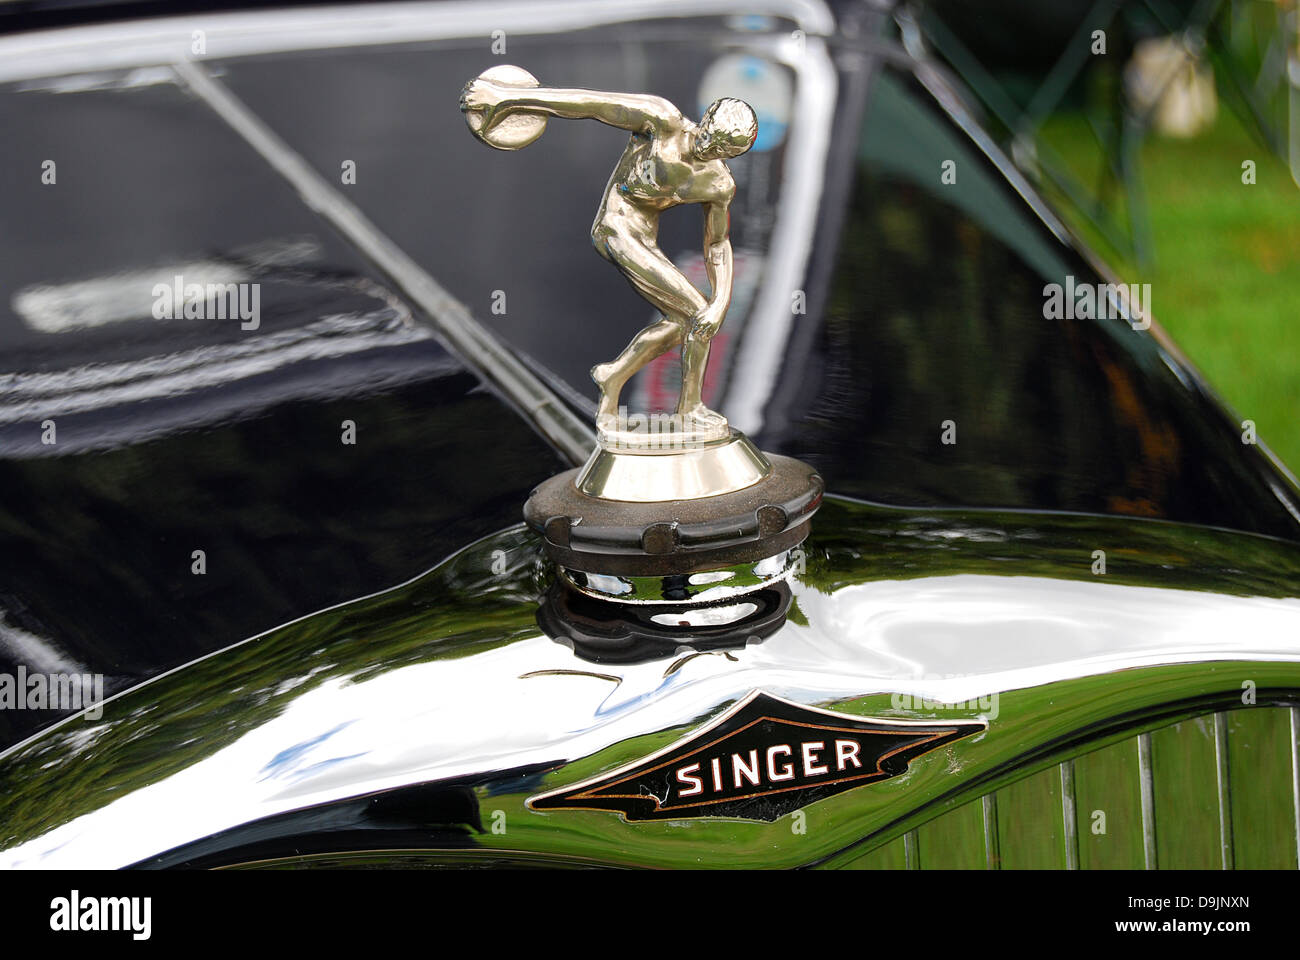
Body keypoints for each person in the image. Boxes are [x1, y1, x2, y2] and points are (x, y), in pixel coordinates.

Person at [460, 77, 758, 434]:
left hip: (645, 240)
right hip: (615, 227)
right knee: (695, 313)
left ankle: (613, 376)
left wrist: (721, 301)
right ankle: (689, 408)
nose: (711, 149)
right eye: (712, 137)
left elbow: (717, 244)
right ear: (706, 120)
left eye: (724, 149)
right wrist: (509, 97)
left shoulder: (718, 184)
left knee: (685, 323)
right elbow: (591, 104)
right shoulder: (661, 120)